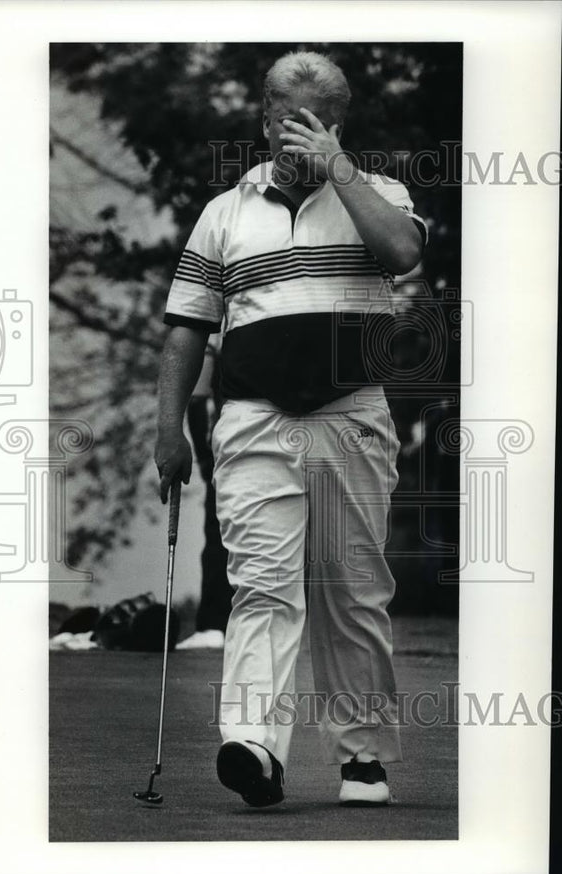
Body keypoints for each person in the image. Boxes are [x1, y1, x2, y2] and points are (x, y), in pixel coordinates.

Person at [155, 51, 427, 807]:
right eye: (284, 122)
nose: (296, 137)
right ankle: (254, 748)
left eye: (316, 122)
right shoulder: (225, 211)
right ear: (264, 122)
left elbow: (402, 252)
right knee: (262, 589)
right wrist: (166, 429)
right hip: (252, 418)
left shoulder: (381, 194)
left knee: (351, 590)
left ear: (338, 124)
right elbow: (185, 329)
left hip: (349, 416)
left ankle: (364, 758)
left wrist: (339, 168)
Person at [175, 335, 233, 650]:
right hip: (223, 418)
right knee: (218, 526)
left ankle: (218, 622)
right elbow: (198, 395)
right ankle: (214, 623)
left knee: (223, 528)